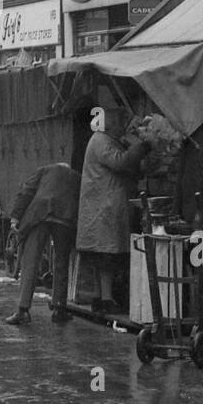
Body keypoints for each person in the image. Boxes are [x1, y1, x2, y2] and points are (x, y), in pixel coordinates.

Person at [76, 109, 149, 315]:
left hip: (101, 207)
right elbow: (120, 162)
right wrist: (143, 146)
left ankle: (100, 298)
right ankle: (106, 299)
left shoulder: (103, 140)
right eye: (117, 121)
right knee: (105, 256)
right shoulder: (101, 141)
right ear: (107, 123)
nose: (120, 126)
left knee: (101, 257)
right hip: (104, 208)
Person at [5, 162, 80, 326]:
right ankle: (60, 308)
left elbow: (26, 192)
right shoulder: (76, 177)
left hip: (41, 213)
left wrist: (15, 218)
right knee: (61, 261)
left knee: (30, 261)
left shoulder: (45, 170)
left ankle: (23, 310)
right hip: (65, 216)